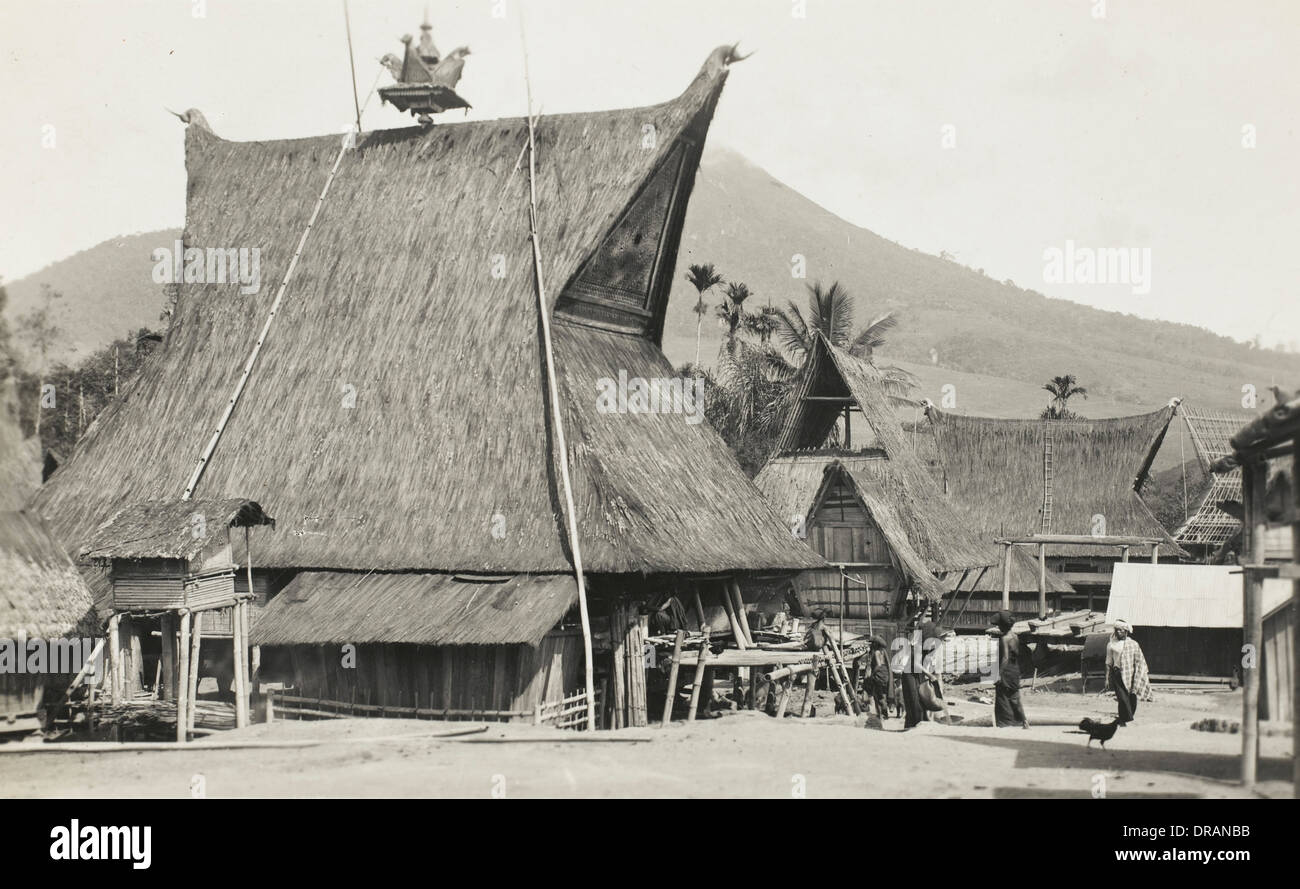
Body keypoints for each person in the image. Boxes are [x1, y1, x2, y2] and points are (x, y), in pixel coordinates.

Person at [1104, 619, 1151, 725]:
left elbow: (1139, 661)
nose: (1117, 632)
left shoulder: (1133, 644)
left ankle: (1128, 716)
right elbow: (1108, 662)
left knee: (1132, 697)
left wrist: (1140, 675)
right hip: (1117, 673)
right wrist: (1106, 678)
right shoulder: (1111, 645)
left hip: (1130, 674)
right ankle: (1124, 719)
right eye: (1116, 630)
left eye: (1120, 630)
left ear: (1126, 631)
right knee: (1122, 697)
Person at [992, 611, 1028, 729]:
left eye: (999, 625)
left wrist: (998, 674)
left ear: (1002, 625)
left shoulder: (1004, 639)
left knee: (1002, 697)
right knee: (1015, 697)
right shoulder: (1015, 636)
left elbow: (1005, 658)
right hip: (1015, 669)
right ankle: (1023, 720)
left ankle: (1005, 722)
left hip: (1006, 671)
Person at [865, 635, 892, 719]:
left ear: (875, 644)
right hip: (885, 675)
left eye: (872, 643)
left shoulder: (876, 652)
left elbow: (878, 665)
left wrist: (872, 674)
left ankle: (881, 714)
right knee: (883, 694)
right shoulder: (883, 651)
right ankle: (884, 714)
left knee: (878, 695)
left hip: (879, 675)